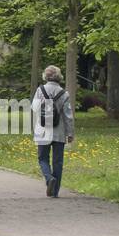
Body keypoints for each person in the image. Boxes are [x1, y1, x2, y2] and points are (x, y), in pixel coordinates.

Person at [31, 66, 74, 197]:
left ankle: (49, 178)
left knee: (43, 158)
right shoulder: (64, 93)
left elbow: (34, 107)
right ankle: (55, 192)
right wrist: (70, 133)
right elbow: (68, 115)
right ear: (59, 77)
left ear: (46, 76)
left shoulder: (40, 90)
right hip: (59, 132)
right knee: (58, 162)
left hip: (43, 130)